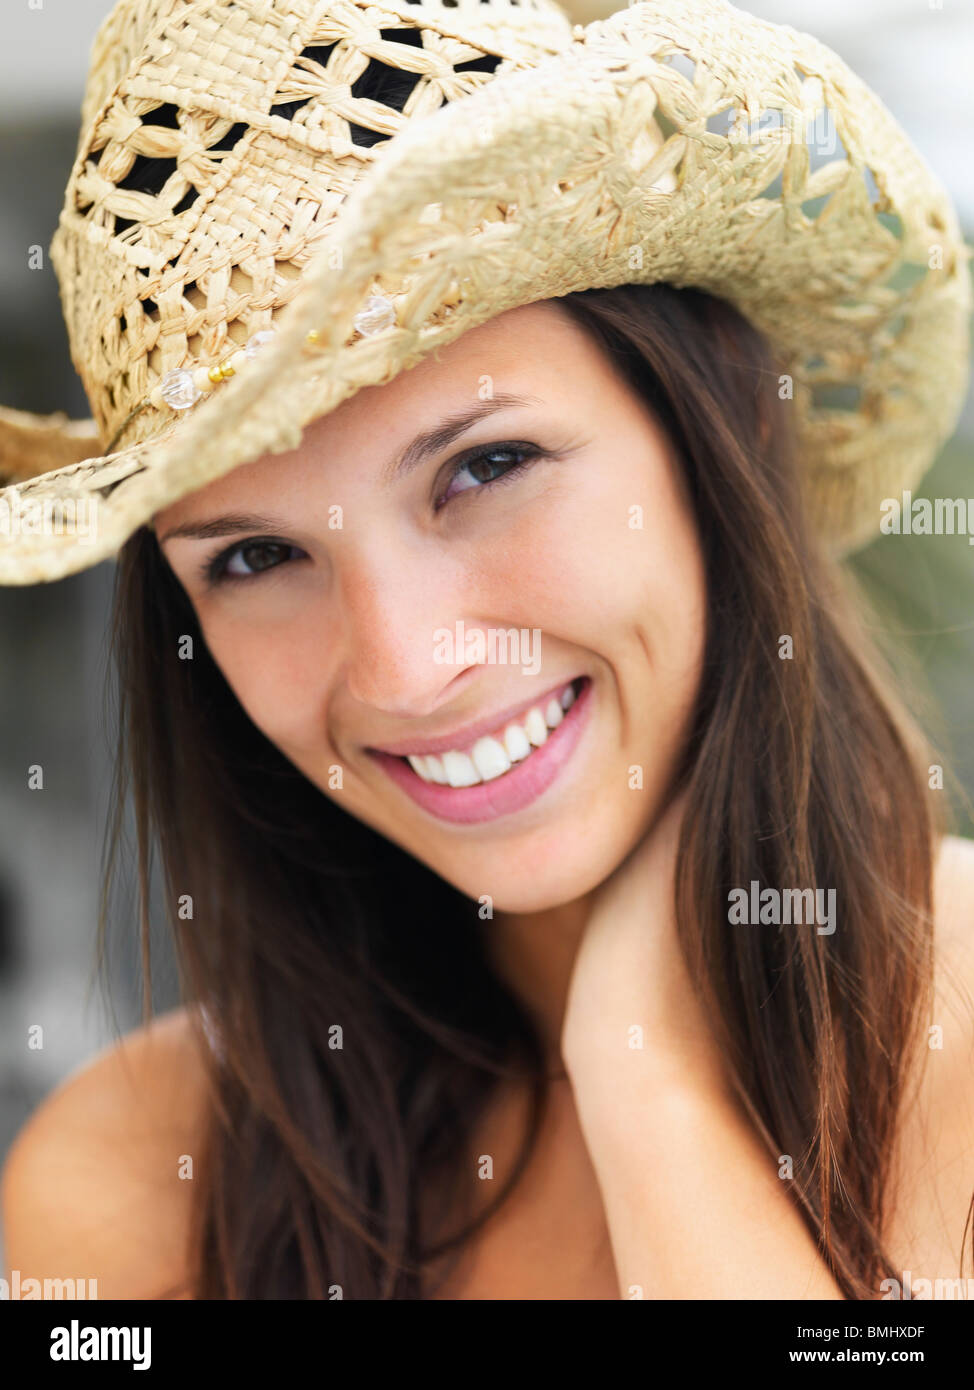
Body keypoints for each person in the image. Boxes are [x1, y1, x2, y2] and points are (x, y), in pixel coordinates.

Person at [1, 0, 972, 1300]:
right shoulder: (134, 1177)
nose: (404, 666)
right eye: (252, 556)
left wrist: (651, 1084)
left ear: (720, 427)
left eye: (485, 465)